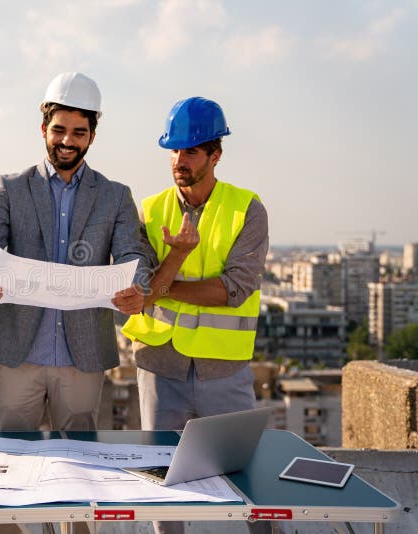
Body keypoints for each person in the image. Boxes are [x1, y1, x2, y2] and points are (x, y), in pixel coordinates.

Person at [0, 72, 151, 435]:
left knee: (80, 459)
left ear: (92, 137)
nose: (67, 141)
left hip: (82, 358)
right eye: (59, 130)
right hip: (17, 352)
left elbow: (133, 253)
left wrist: (138, 287)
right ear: (43, 129)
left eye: (79, 133)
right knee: (12, 455)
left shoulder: (115, 196)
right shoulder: (9, 188)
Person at [122, 97, 269, 534]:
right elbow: (140, 288)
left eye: (190, 152)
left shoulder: (247, 209)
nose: (179, 161)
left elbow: (234, 288)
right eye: (174, 150)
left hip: (223, 370)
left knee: (247, 481)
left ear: (215, 154)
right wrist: (160, 284)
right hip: (158, 365)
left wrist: (166, 287)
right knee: (163, 485)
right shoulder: (149, 210)